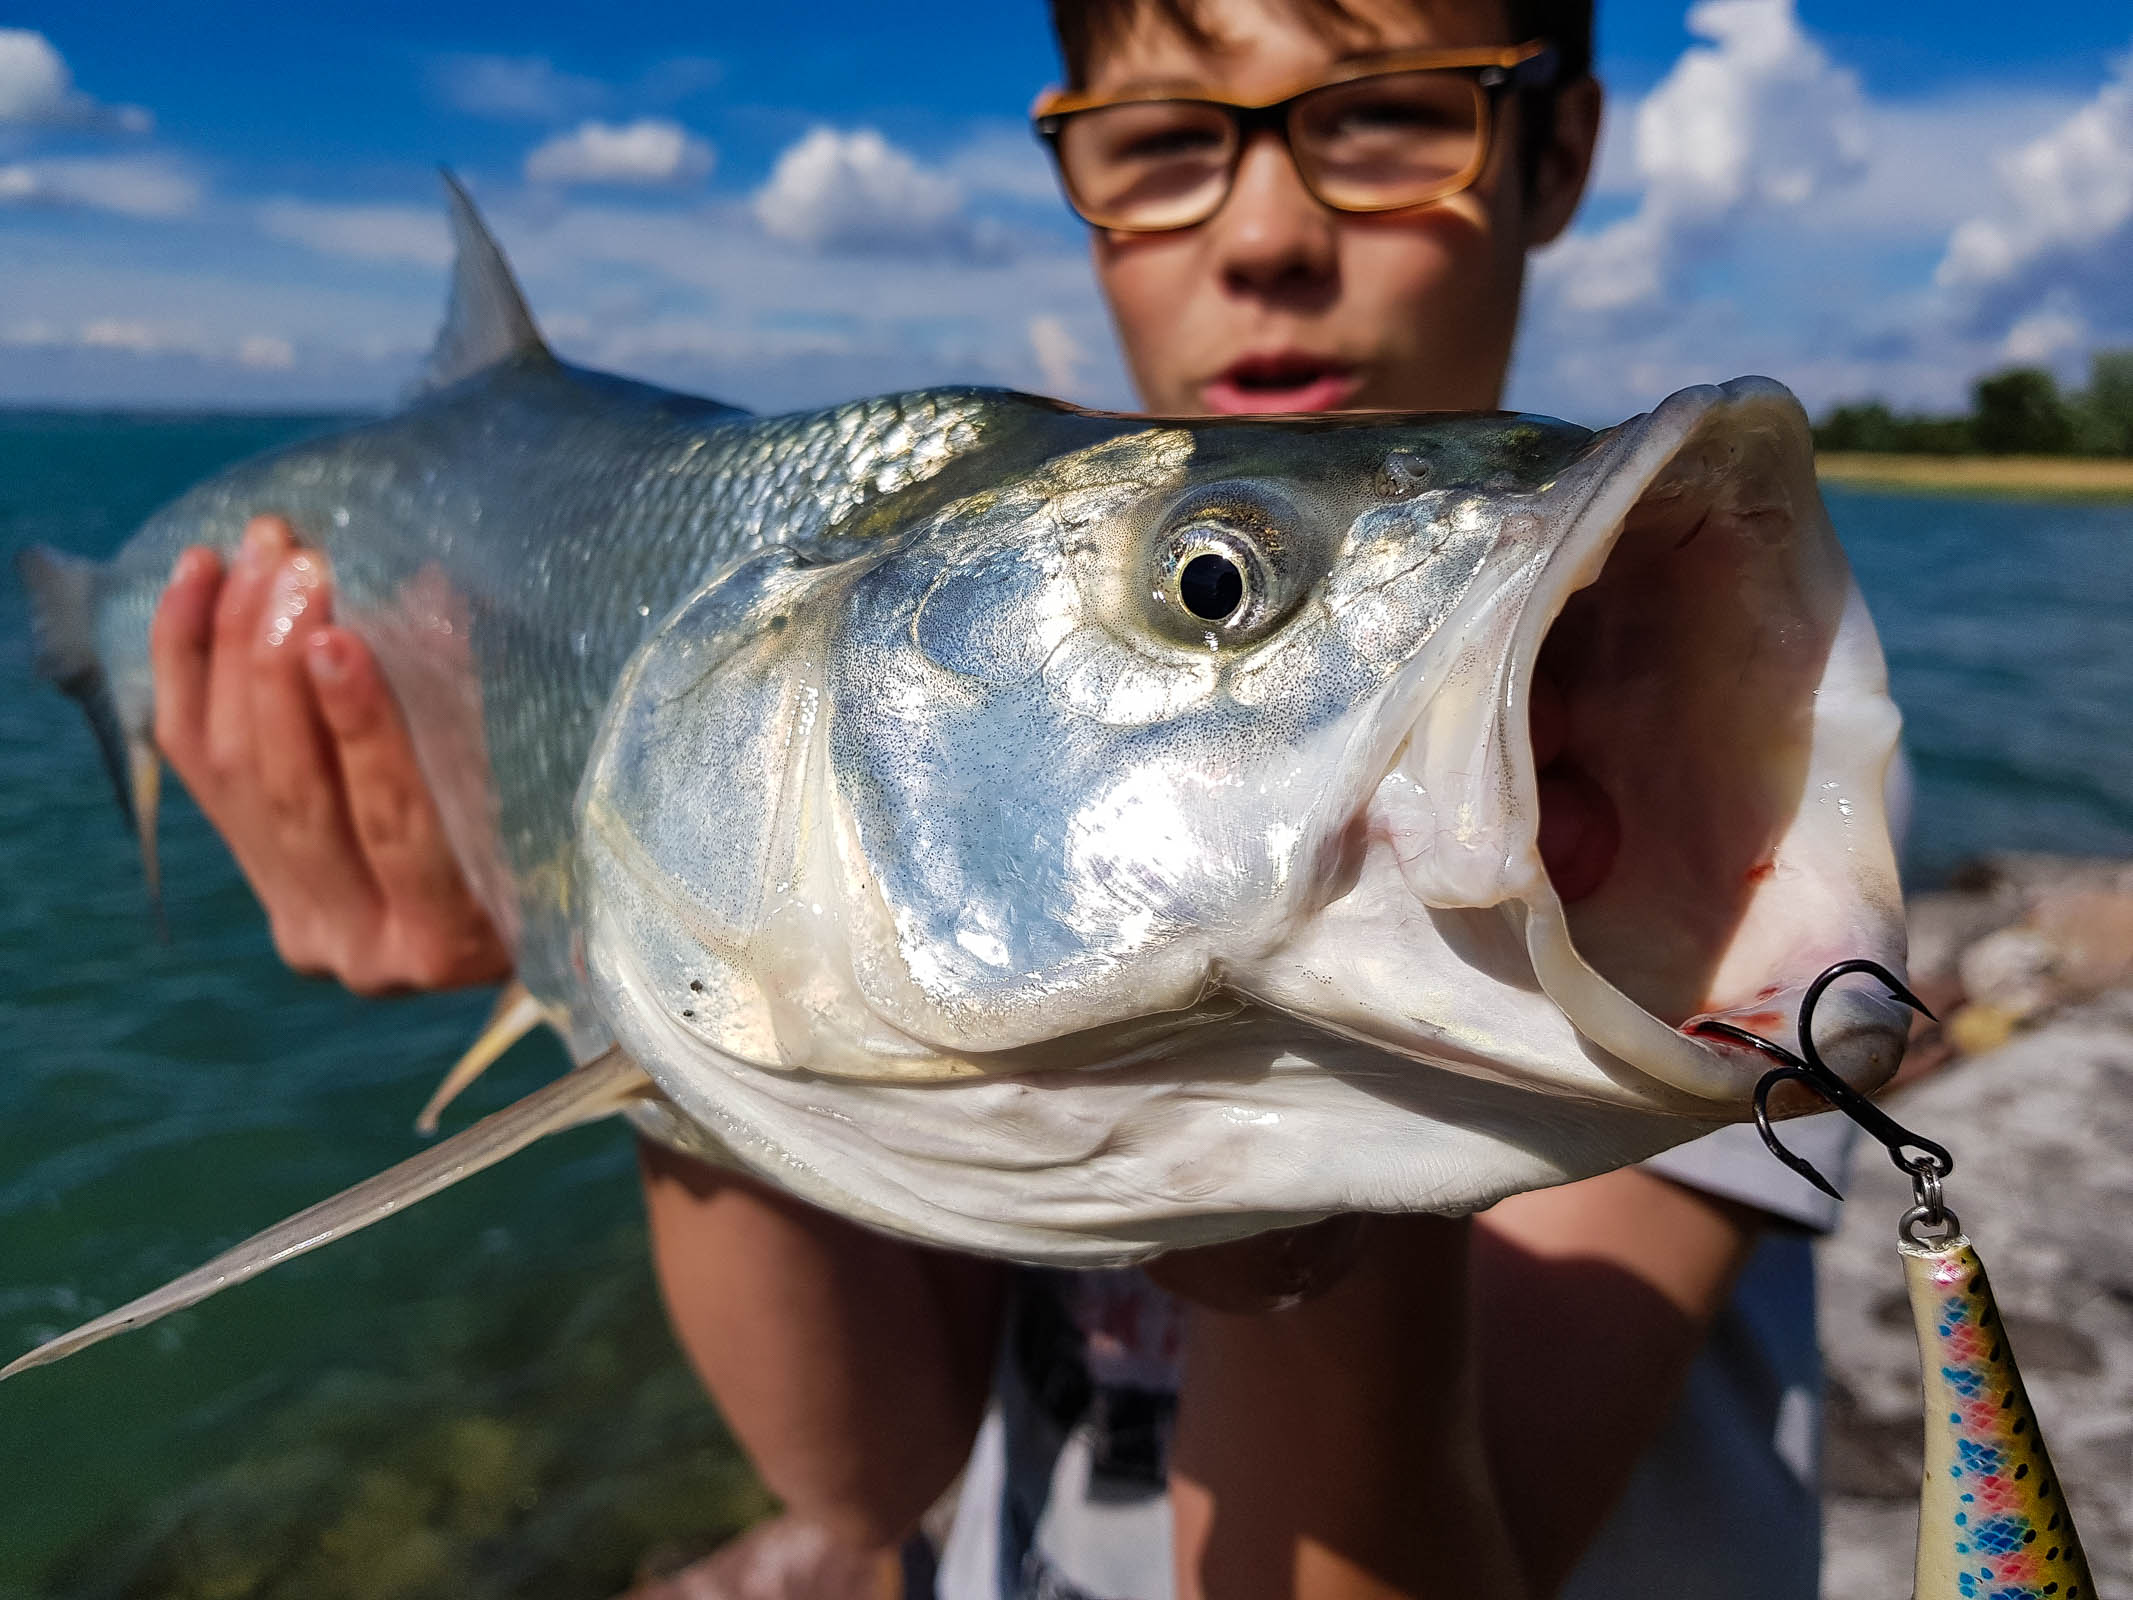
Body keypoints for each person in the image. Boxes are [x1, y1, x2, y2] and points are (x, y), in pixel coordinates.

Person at [147, 1, 1860, 1595]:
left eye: (1393, 119)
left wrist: (1295, 1249)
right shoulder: (937, 629)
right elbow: (873, 1466)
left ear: (1559, 152)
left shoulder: (1730, 764)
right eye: (1164, 145)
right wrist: (636, 982)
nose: (1265, 235)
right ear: (1074, 171)